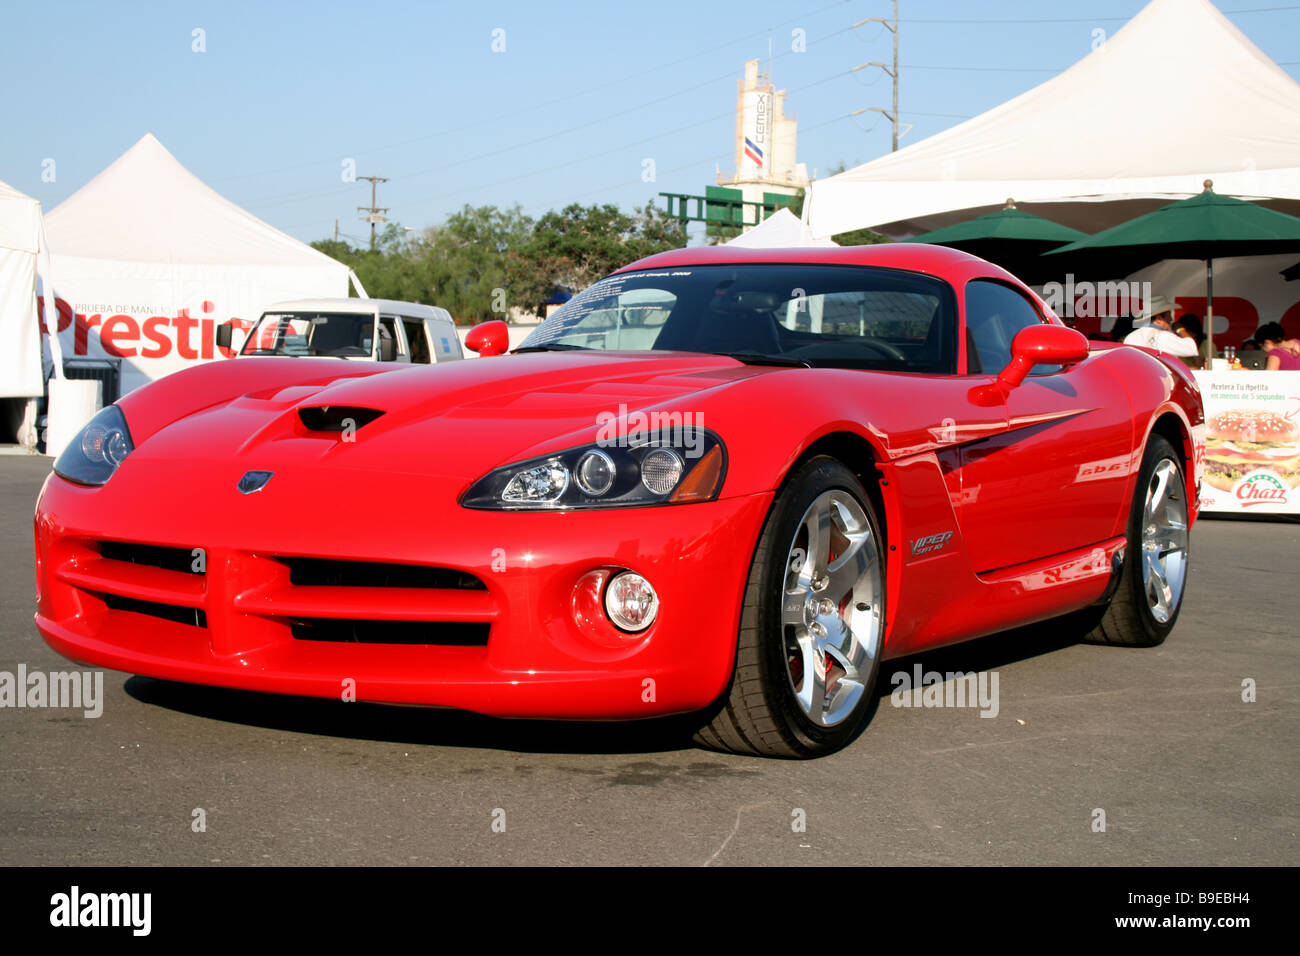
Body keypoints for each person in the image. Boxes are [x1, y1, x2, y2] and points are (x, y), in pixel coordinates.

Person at [1123, 296, 1198, 359]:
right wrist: (1180, 329)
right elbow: (1191, 348)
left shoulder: (1130, 337)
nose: (1171, 319)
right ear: (1159, 319)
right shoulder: (1162, 336)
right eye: (1168, 315)